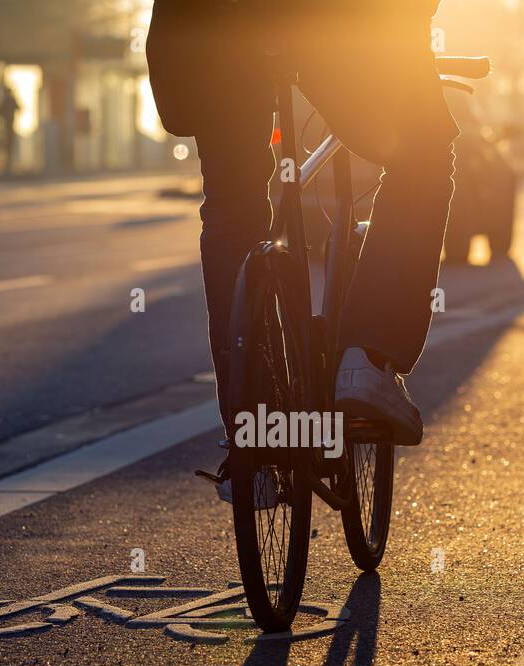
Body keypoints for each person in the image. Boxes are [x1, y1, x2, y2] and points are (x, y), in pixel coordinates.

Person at [146, 1, 459, 500]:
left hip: (205, 31)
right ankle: (368, 357)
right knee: (422, 152)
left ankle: (255, 433)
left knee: (231, 208)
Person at [0, 81, 19, 174]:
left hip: (10, 126)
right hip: (5, 127)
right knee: (6, 144)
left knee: (10, 144)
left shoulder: (11, 100)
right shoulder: (6, 101)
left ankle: (9, 163)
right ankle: (6, 163)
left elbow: (19, 108)